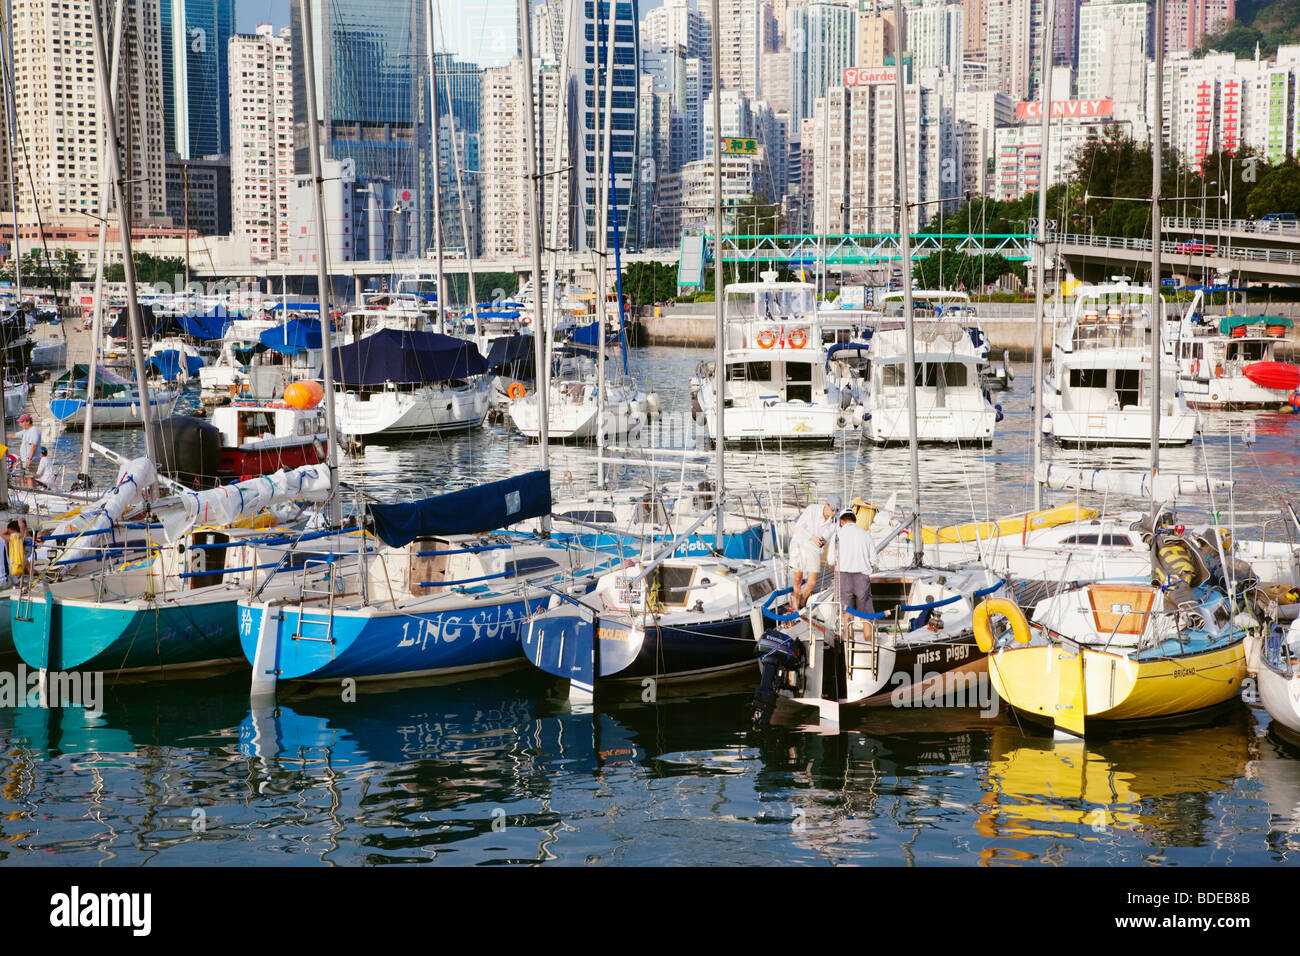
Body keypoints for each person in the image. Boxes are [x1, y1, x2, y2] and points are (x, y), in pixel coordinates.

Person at [789, 494, 841, 610]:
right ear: (826, 505)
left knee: (811, 583)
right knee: (797, 580)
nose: (833, 513)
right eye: (832, 509)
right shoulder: (812, 509)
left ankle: (800, 607)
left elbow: (827, 536)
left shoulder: (835, 520)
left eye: (836, 510)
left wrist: (822, 541)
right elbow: (798, 527)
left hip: (814, 550)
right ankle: (794, 611)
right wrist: (812, 537)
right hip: (799, 545)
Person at [829, 510, 879, 628]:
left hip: (843, 577)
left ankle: (848, 642)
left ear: (841, 521)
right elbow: (874, 560)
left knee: (847, 614)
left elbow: (831, 561)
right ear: (854, 520)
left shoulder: (837, 535)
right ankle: (868, 641)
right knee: (866, 617)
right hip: (862, 577)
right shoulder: (866, 534)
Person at [17, 413, 40, 483]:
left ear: (27, 422)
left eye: (21, 422)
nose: (19, 424)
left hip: (30, 460)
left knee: (29, 478)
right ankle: (30, 492)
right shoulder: (26, 431)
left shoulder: (33, 431)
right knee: (23, 478)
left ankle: (31, 492)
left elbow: (33, 446)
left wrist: (29, 460)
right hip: (25, 459)